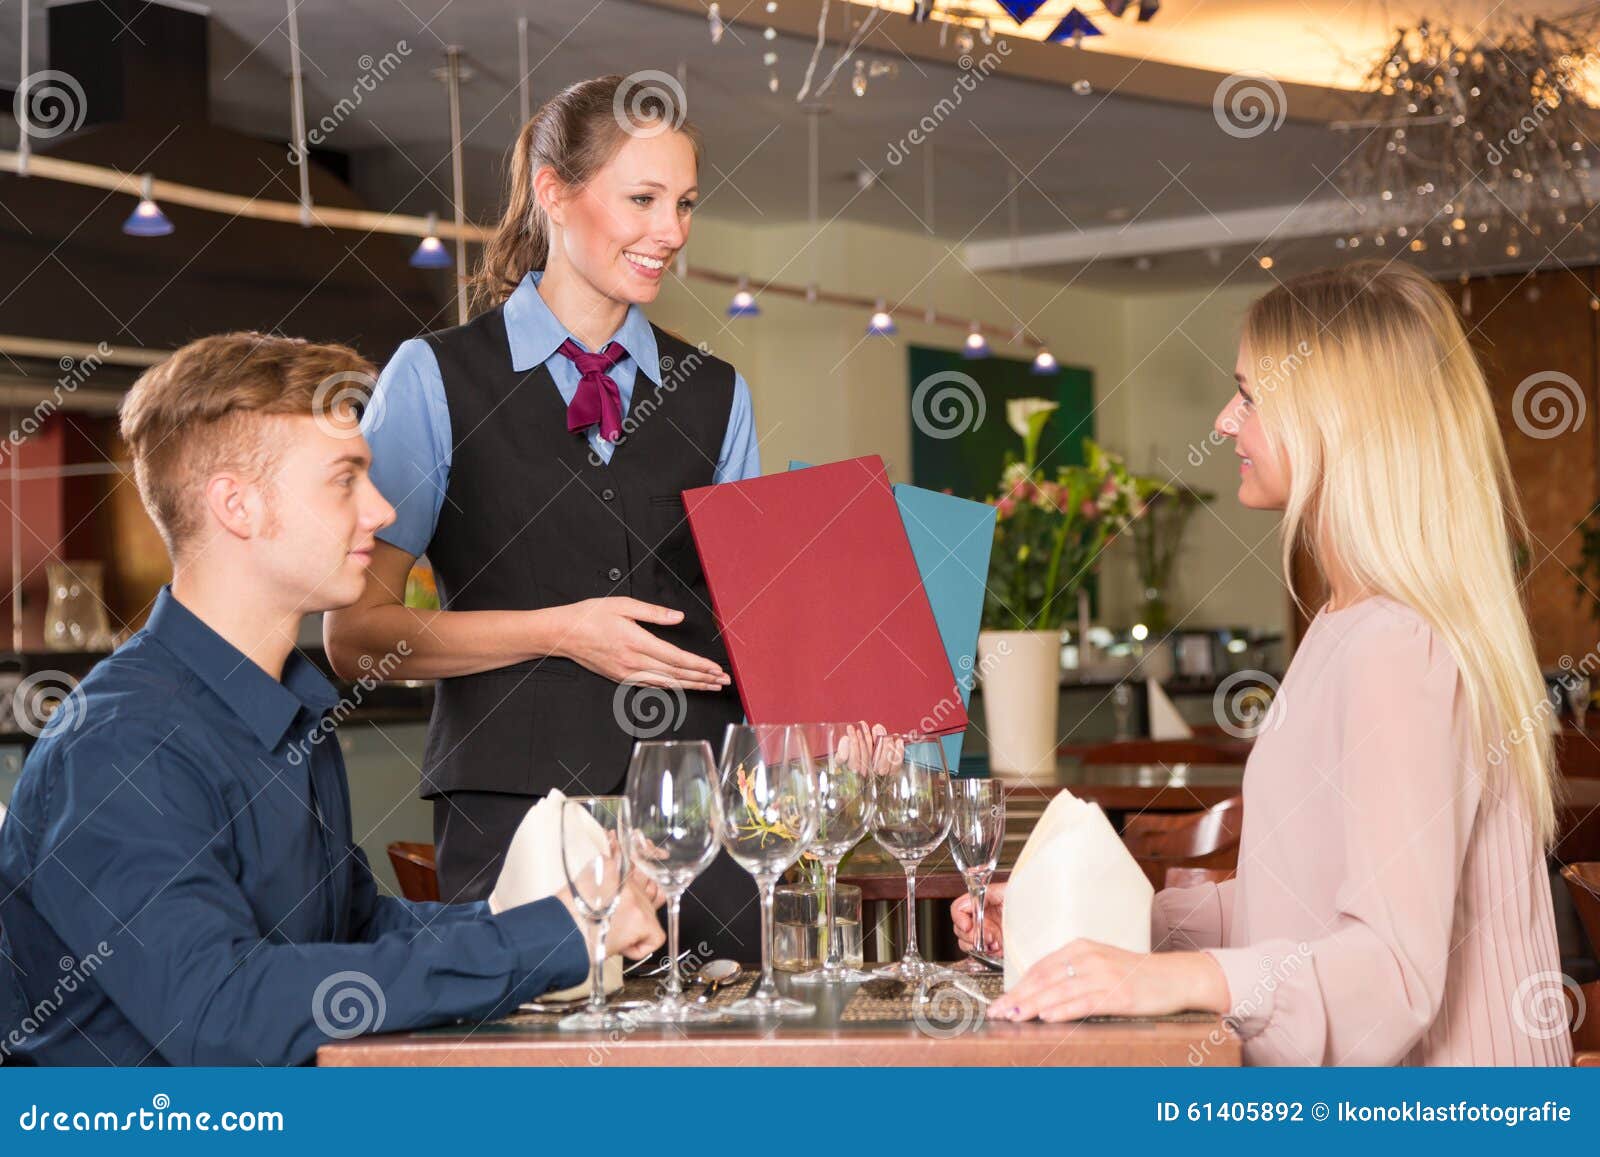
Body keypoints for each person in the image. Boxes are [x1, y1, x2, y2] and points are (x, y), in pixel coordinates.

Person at [954, 261, 1572, 1066]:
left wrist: (1164, 977)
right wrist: (1092, 923)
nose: (1224, 420)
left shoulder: (1398, 642)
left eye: (1248, 395)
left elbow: (1390, 973)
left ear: (1333, 418)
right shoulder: (1354, 621)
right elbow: (1302, 898)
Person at [0, 333, 662, 1066]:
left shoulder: (286, 711)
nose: (381, 511)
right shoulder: (118, 747)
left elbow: (354, 931)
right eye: (345, 480)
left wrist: (556, 915)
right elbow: (222, 1014)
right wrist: (542, 939)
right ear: (237, 505)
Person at [324, 75, 760, 954]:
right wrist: (558, 631)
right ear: (553, 192)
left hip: (699, 821)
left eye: (683, 204)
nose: (672, 231)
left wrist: (853, 711)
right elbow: (356, 637)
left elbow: (757, 628)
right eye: (642, 199)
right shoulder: (434, 377)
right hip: (516, 818)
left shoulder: (717, 393)